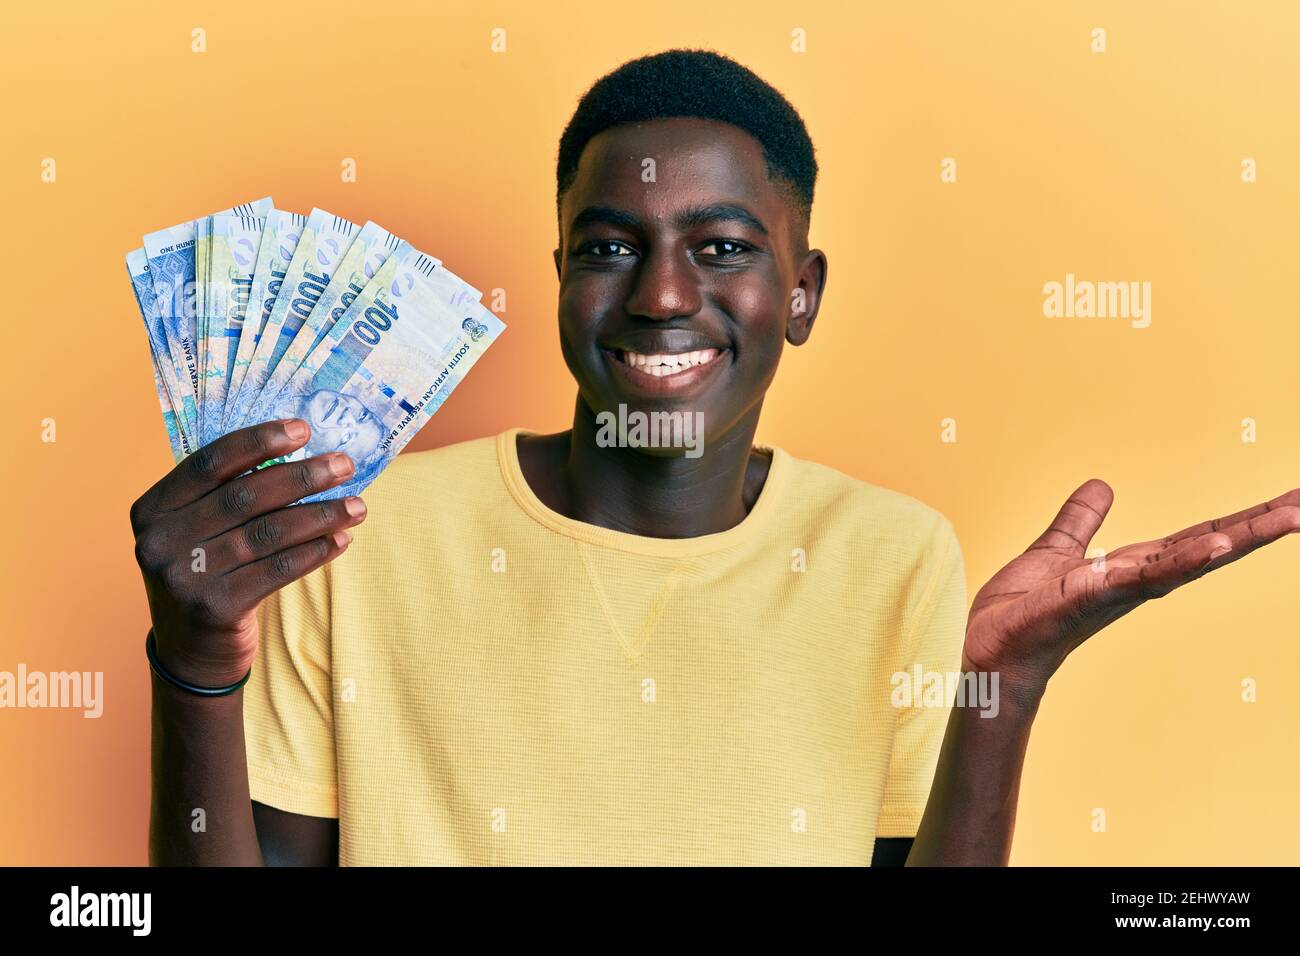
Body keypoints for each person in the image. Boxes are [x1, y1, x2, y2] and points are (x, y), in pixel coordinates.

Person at [132, 48, 1300, 866]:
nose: (662, 294)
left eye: (721, 245)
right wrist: (190, 660)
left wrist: (1001, 695)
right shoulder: (353, 533)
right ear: (559, 280)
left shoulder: (891, 555)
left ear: (800, 294)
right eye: (609, 245)